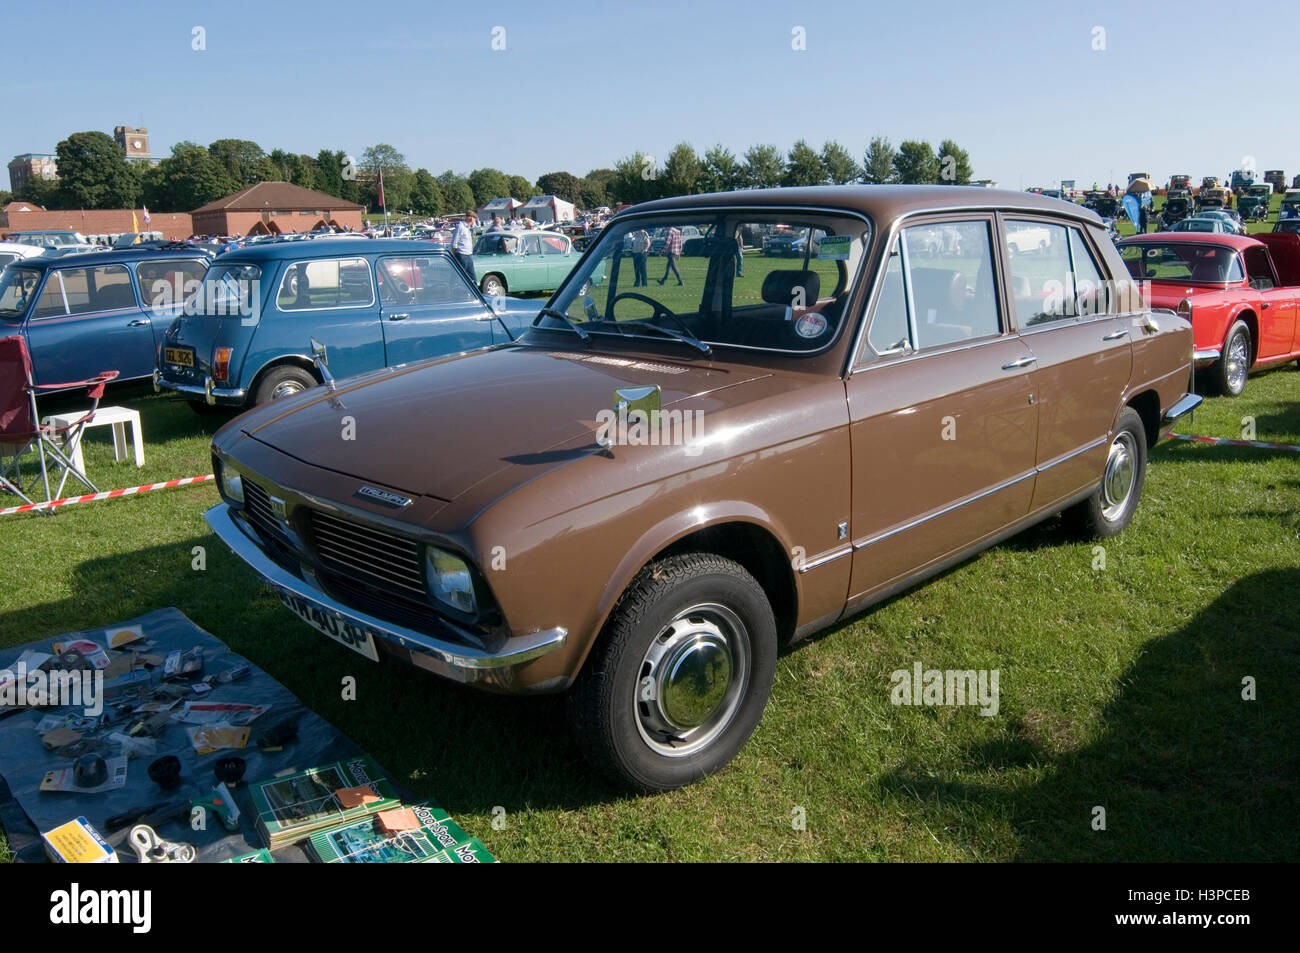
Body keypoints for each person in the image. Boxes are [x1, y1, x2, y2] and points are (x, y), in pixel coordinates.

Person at [452, 212, 476, 280]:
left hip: (469, 254)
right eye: (474, 219)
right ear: (471, 219)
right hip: (462, 255)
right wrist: (454, 255)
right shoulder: (460, 226)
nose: (474, 222)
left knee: (472, 277)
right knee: (459, 277)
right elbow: (454, 242)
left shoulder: (468, 228)